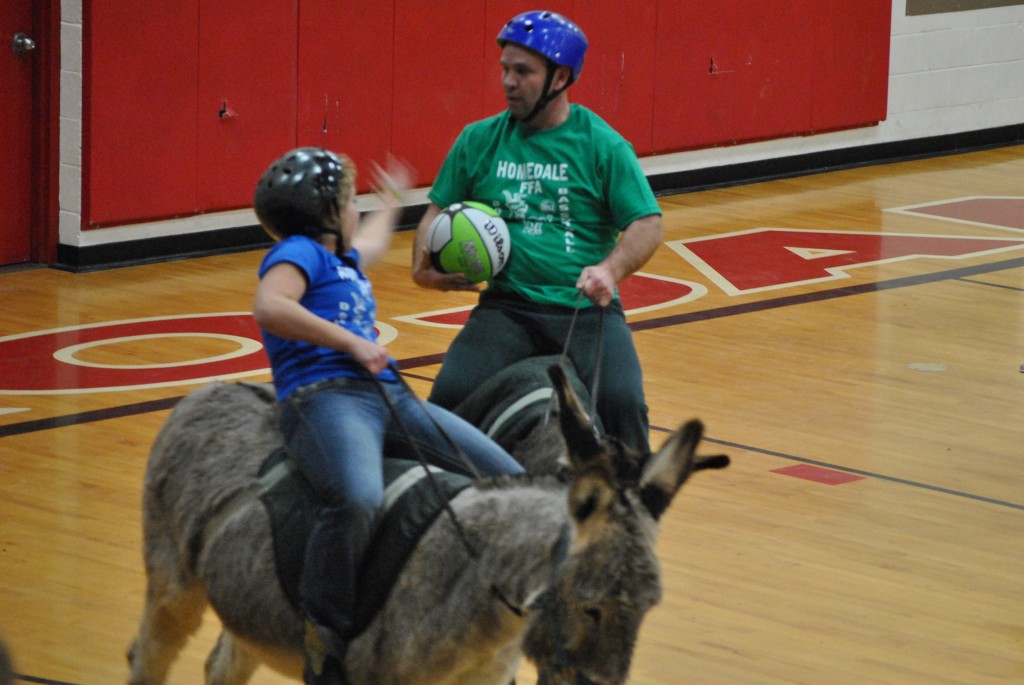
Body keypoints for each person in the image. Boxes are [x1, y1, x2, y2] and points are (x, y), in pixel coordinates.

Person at [252, 147, 524, 685]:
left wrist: (394, 198)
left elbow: (373, 242)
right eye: (350, 202)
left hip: (386, 396)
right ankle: (323, 631)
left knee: (510, 479)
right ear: (326, 216)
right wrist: (351, 342)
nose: (357, 210)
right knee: (356, 498)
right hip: (324, 399)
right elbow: (271, 306)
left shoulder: (341, 258)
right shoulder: (299, 252)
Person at [412, 10, 664, 454]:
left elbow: (647, 224)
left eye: (523, 71)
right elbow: (435, 213)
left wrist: (609, 271)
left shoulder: (602, 145)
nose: (508, 82)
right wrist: (422, 268)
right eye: (504, 69)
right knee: (446, 402)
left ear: (560, 77)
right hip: (507, 308)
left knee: (624, 405)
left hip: (585, 312)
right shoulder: (478, 140)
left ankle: (637, 494)